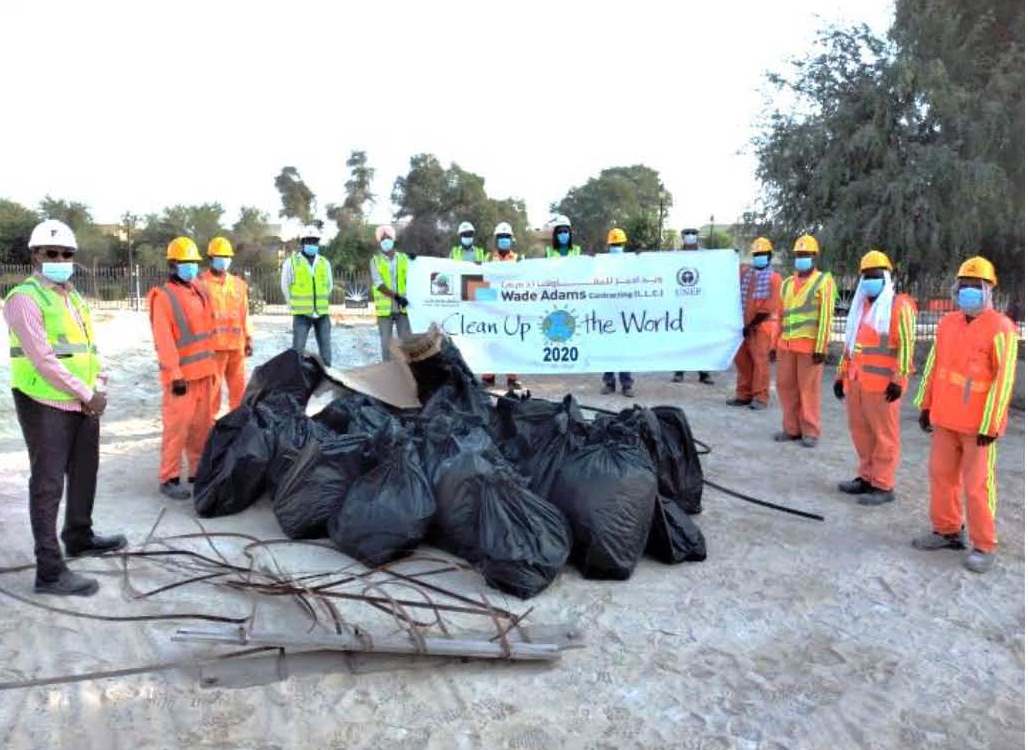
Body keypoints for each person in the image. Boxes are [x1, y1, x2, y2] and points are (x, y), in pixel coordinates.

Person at [4, 219, 126, 596]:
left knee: (85, 472)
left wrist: (98, 386)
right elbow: (43, 359)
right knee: (48, 483)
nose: (59, 259)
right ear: (35, 256)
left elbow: (90, 350)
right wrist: (86, 394)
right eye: (51, 253)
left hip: (83, 400)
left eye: (66, 254)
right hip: (45, 401)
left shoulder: (72, 296)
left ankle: (79, 534)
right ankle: (50, 572)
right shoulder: (24, 299)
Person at [911, 256, 1017, 574]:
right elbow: (934, 366)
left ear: (989, 290)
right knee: (941, 477)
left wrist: (991, 424)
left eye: (976, 286)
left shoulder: (1001, 328)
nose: (969, 291)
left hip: (978, 427)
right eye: (965, 286)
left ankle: (984, 545)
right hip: (945, 419)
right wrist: (925, 405)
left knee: (977, 486)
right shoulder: (947, 324)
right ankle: (947, 531)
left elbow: (1004, 379)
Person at [833, 250, 916, 505]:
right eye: (866, 276)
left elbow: (907, 345)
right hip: (857, 384)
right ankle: (866, 477)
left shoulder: (899, 306)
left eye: (875, 276)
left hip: (883, 388)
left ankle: (883, 484)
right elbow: (851, 346)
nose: (870, 280)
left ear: (886, 277)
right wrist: (840, 376)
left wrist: (898, 381)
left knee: (884, 436)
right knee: (861, 433)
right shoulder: (860, 307)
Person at [148, 237, 217, 500]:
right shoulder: (163, 297)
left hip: (203, 373)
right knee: (177, 429)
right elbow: (164, 341)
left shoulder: (198, 290)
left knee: (201, 427)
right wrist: (175, 374)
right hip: (181, 379)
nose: (190, 267)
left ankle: (197, 472)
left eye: (193, 262)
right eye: (185, 262)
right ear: (173, 264)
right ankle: (169, 477)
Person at [774, 234, 836, 447]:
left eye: (805, 255)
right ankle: (791, 429)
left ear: (814, 257)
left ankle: (810, 431)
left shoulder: (823, 281)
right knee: (785, 387)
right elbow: (780, 315)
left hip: (809, 347)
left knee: (808, 390)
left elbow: (826, 317)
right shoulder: (787, 283)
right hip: (786, 345)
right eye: (798, 254)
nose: (801, 258)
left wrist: (821, 347)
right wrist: (775, 343)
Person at [198, 236, 252, 415]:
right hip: (213, 348)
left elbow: (245, 313)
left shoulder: (239, 285)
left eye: (227, 257)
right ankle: (209, 425)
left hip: (236, 346)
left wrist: (248, 338)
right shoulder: (200, 285)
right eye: (220, 256)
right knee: (212, 391)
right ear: (211, 258)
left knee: (239, 389)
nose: (224, 260)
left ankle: (236, 423)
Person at [727, 237, 781, 410]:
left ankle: (760, 397)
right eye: (756, 254)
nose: (759, 257)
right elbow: (727, 270)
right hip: (742, 327)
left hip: (760, 327)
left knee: (760, 363)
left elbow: (770, 306)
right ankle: (743, 394)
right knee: (742, 361)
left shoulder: (774, 278)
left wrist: (751, 325)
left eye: (762, 254)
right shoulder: (746, 274)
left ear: (769, 256)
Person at [280, 224, 332, 366]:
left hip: (322, 314)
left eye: (314, 241)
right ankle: (296, 382)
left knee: (326, 352)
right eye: (308, 241)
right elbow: (285, 286)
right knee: (297, 351)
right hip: (301, 314)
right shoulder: (291, 263)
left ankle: (327, 381)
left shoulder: (324, 263)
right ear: (302, 243)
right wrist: (292, 305)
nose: (312, 244)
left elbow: (329, 285)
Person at [481, 222, 521, 391]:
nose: (504, 240)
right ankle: (488, 377)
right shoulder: (487, 259)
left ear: (511, 239)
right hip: (492, 307)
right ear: (496, 240)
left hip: (511, 306)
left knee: (511, 342)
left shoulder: (519, 259)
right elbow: (480, 282)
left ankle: (512, 379)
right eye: (501, 237)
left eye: (506, 237)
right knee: (490, 341)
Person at [673, 227, 714, 385]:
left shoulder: (707, 255)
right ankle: (679, 372)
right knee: (682, 339)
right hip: (681, 303)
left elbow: (718, 266)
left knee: (702, 338)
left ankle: (704, 373)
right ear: (683, 237)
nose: (690, 237)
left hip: (701, 303)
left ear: (697, 237)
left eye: (693, 234)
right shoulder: (675, 256)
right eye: (687, 234)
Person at [370, 224, 412, 361]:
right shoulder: (375, 261)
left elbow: (415, 277)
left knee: (406, 343)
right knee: (386, 345)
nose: (385, 240)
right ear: (379, 242)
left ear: (393, 239)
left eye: (388, 237)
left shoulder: (404, 258)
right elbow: (378, 284)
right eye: (382, 239)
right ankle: (388, 371)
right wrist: (396, 296)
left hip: (403, 308)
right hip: (385, 310)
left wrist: (416, 260)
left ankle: (407, 372)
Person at [601, 227, 634, 397]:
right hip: (606, 312)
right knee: (607, 348)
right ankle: (608, 382)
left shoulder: (631, 264)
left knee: (624, 349)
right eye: (614, 244)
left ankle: (626, 384)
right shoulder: (601, 265)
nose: (617, 247)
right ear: (609, 246)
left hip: (625, 313)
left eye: (619, 244)